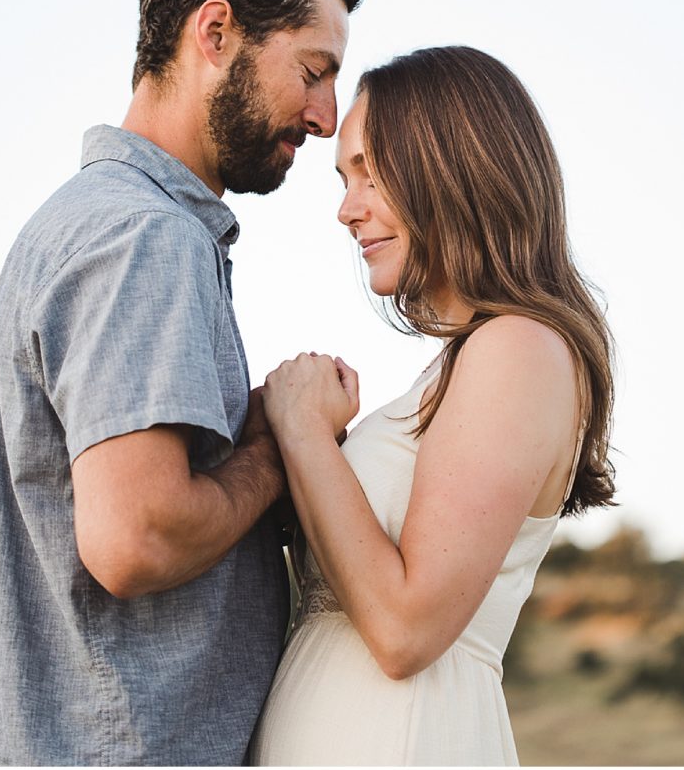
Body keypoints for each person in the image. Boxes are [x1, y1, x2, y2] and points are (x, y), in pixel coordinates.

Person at [0, 0, 365, 765]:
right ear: (215, 32)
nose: (326, 116)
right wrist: (278, 448)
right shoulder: (147, 236)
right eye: (314, 70)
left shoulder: (89, 222)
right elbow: (137, 536)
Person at [247, 45, 614, 766]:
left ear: (451, 168)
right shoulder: (469, 360)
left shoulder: (519, 348)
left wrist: (304, 431)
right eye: (344, 179)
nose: (347, 209)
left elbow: (404, 626)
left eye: (369, 174)